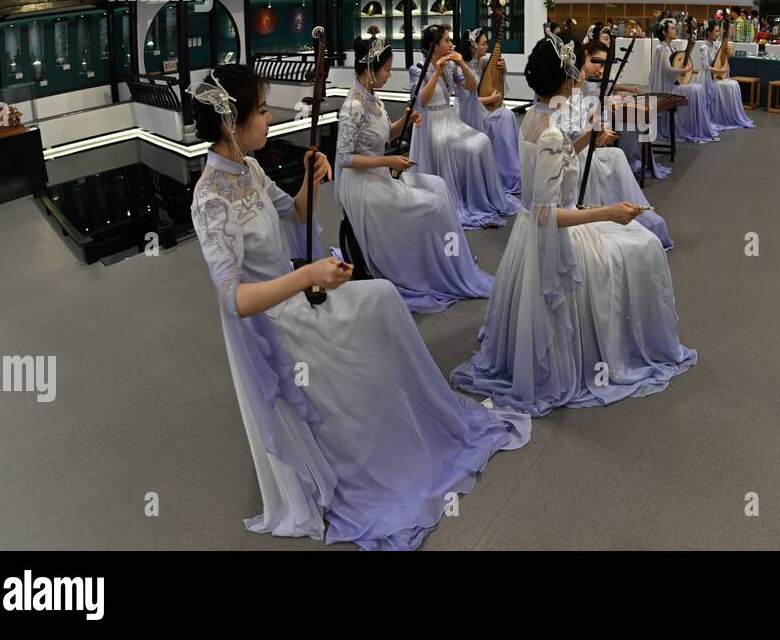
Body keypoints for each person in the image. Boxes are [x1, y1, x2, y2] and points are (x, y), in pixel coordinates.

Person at [189, 64, 528, 551]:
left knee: (385, 296)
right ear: (229, 122)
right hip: (274, 321)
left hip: (297, 291)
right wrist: (308, 275)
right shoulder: (210, 199)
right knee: (376, 307)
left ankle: (405, 421)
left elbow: (297, 215)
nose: (268, 119)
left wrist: (311, 177)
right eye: (261, 110)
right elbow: (233, 299)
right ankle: (377, 437)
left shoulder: (251, 168)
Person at [451, 33, 697, 415]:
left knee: (636, 243)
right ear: (566, 81)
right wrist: (609, 212)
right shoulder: (548, 130)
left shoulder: (533, 117)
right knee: (642, 247)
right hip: (555, 235)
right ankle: (625, 344)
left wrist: (588, 138)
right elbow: (551, 213)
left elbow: (551, 169)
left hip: (529, 231)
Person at [336, 36, 494, 313]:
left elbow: (385, 135)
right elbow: (344, 158)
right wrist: (389, 161)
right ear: (370, 69)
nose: (388, 75)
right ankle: (430, 266)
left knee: (439, 186)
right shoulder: (354, 106)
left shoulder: (372, 99)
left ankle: (450, 259)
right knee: (431, 204)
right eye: (386, 69)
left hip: (379, 173)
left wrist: (405, 121)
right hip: (364, 185)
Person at [409, 25, 519, 229]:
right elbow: (421, 101)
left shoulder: (451, 67)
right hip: (431, 126)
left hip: (450, 121)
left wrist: (461, 63)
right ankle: (462, 196)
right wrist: (436, 72)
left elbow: (471, 87)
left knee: (482, 141)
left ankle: (481, 197)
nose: (451, 44)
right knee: (469, 148)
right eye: (446, 40)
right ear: (434, 46)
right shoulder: (418, 69)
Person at [572, 38, 673, 249]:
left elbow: (579, 122)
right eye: (597, 62)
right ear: (584, 57)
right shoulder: (573, 88)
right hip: (574, 157)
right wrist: (594, 134)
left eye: (604, 64)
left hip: (581, 145)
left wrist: (596, 127)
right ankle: (616, 210)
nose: (601, 70)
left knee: (617, 152)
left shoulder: (579, 86)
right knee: (616, 155)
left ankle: (630, 207)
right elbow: (569, 136)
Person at [455, 27, 521, 196]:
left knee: (507, 115)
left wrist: (502, 69)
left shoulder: (484, 63)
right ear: (472, 46)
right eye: (483, 44)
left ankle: (508, 172)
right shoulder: (461, 68)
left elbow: (495, 83)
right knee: (505, 116)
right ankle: (504, 173)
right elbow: (466, 100)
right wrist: (490, 100)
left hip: (488, 110)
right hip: (469, 114)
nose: (486, 47)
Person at [648, 17, 718, 143]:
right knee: (696, 89)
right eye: (672, 29)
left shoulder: (672, 47)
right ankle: (692, 128)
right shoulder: (661, 49)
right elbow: (668, 70)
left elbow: (681, 59)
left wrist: (691, 45)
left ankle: (695, 128)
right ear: (664, 32)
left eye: (675, 28)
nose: (675, 30)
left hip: (674, 83)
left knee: (698, 87)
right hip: (667, 88)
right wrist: (684, 71)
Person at [697, 22, 755, 130]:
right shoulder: (703, 48)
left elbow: (722, 59)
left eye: (719, 31)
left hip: (717, 76)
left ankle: (729, 116)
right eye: (716, 31)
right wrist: (720, 71)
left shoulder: (716, 45)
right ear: (709, 33)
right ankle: (719, 117)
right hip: (708, 78)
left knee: (734, 84)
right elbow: (706, 67)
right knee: (730, 86)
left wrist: (728, 55)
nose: (718, 34)